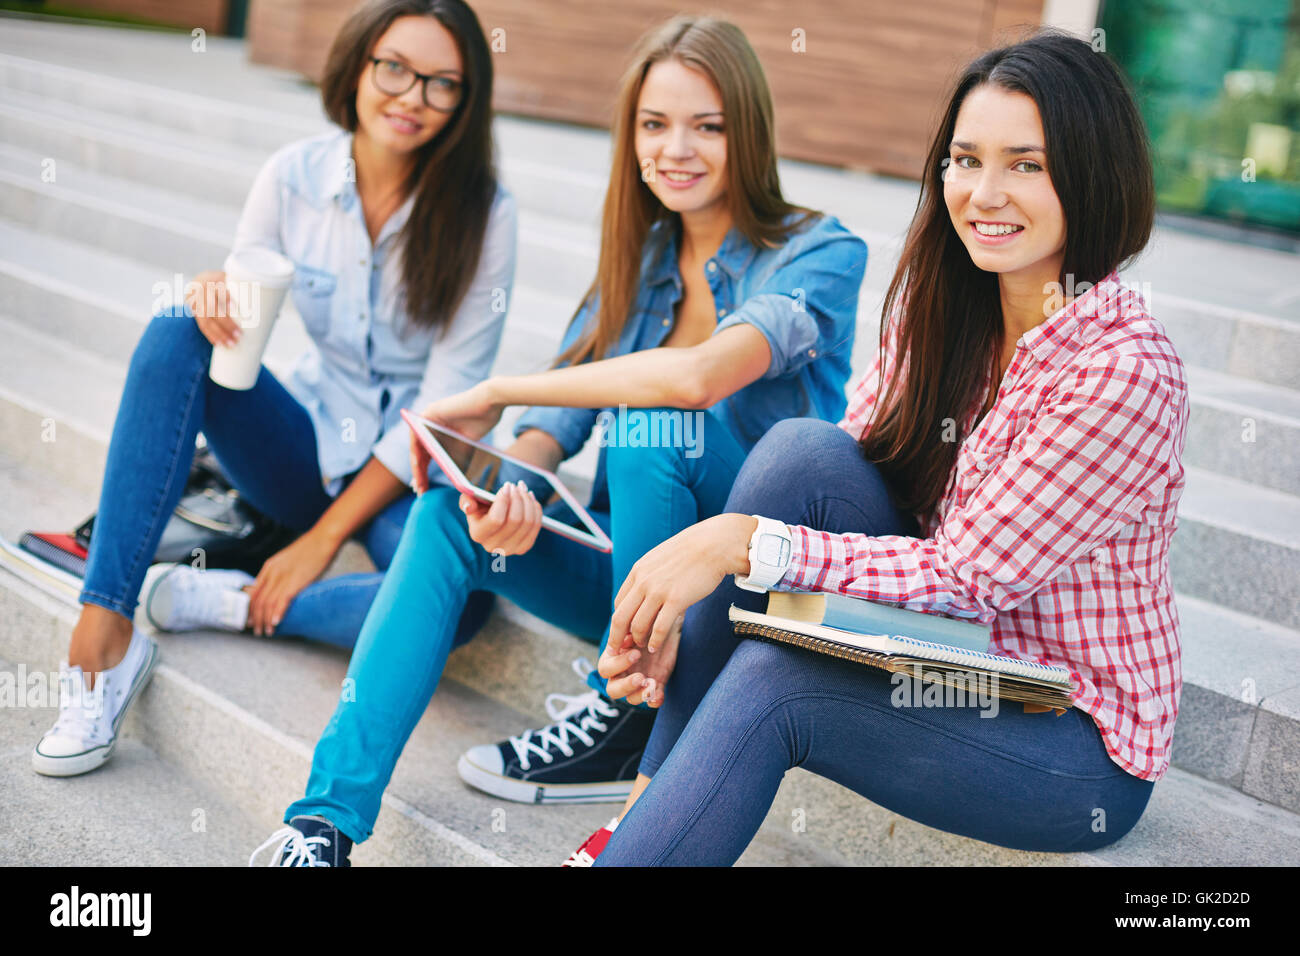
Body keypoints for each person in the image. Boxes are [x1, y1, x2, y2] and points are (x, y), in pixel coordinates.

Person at [249, 14, 867, 866]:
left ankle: (635, 721)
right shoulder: (640, 262)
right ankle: (323, 824)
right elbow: (548, 434)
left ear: (748, 133)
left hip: (746, 596)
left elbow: (692, 381)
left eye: (707, 126)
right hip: (634, 594)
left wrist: (501, 387)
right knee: (445, 519)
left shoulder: (821, 252)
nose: (676, 148)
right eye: (654, 125)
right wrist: (513, 492)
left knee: (658, 422)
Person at [580, 29, 1190, 866]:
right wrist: (730, 565)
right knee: (801, 453)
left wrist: (735, 544)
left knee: (777, 677)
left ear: (1094, 176)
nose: (985, 192)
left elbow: (970, 581)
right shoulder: (946, 307)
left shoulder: (1123, 373)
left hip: (1067, 729)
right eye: (965, 160)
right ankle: (645, 807)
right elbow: (831, 475)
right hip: (954, 654)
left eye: (1026, 165)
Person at [32, 0, 515, 778]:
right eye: (394, 67)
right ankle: (102, 635)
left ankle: (224, 602)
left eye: (442, 83)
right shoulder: (293, 177)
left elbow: (442, 411)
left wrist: (320, 546)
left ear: (467, 98)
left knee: (464, 600)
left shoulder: (486, 215)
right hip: (306, 445)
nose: (412, 96)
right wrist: (215, 293)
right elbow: (239, 312)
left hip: (411, 476)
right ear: (358, 66)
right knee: (177, 328)